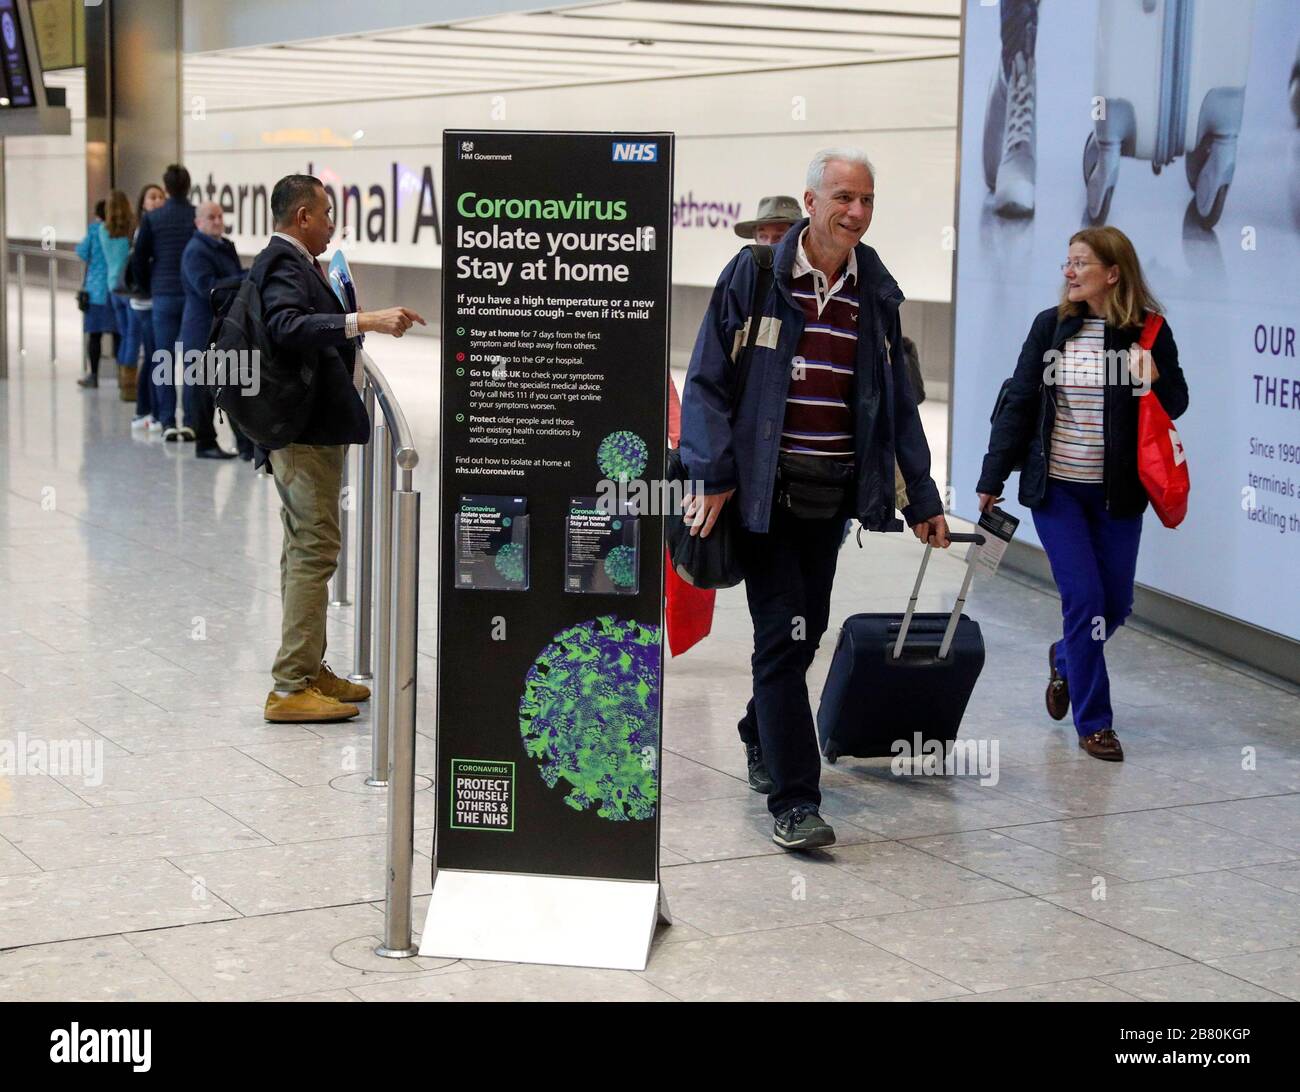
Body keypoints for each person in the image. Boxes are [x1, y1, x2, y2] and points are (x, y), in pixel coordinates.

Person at [680, 148, 950, 851]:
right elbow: (708, 380)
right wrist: (711, 472)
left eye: (866, 199)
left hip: (832, 499)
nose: (855, 212)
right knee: (780, 640)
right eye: (843, 198)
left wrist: (920, 495)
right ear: (810, 201)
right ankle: (795, 801)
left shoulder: (876, 290)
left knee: (808, 632)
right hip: (764, 497)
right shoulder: (757, 275)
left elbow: (894, 403)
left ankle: (756, 727)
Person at [976, 226, 1188, 761]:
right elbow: (1020, 401)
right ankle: (1095, 722)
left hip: (1118, 494)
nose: (1068, 272)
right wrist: (991, 477)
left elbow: (1177, 402)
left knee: (1116, 603)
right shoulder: (1051, 328)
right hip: (1058, 492)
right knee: (1086, 599)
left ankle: (1065, 659)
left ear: (1112, 273)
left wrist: (1153, 379)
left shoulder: (1148, 332)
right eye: (1066, 263)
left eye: (1080, 263)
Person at [257, 174, 426, 723]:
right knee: (316, 547)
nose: (332, 224)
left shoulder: (294, 263)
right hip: (302, 433)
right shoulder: (284, 263)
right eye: (327, 213)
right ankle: (289, 686)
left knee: (302, 545)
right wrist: (365, 320)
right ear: (303, 216)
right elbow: (286, 326)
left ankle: (307, 667)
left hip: (306, 430)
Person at [133, 164, 197, 441]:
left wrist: (147, 285)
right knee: (194, 361)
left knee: (164, 360)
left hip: (163, 295)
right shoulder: (197, 217)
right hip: (192, 296)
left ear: (167, 188)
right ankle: (193, 421)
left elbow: (139, 257)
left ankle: (168, 420)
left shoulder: (154, 218)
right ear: (188, 186)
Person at [181, 201, 249, 460]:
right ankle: (206, 443)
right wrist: (242, 279)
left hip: (225, 327)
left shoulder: (225, 245)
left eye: (220, 216)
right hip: (201, 328)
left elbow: (232, 277)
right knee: (203, 389)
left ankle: (245, 446)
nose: (218, 221)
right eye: (211, 217)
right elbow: (207, 288)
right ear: (199, 222)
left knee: (232, 385)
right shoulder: (196, 251)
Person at [75, 196, 129, 389]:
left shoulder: (95, 230)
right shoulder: (122, 230)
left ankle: (94, 375)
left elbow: (81, 252)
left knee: (95, 335)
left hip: (96, 289)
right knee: (118, 335)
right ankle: (122, 376)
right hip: (117, 288)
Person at [128, 183, 167, 431]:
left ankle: (144, 409)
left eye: (161, 197)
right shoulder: (144, 229)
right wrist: (148, 287)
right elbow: (140, 264)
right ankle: (150, 410)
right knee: (154, 356)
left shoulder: (157, 226)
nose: (157, 201)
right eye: (152, 197)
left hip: (153, 300)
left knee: (152, 356)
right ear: (143, 202)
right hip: (146, 302)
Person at [733, 194, 801, 246]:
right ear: (756, 238)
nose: (769, 244)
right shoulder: (746, 263)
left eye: (779, 237)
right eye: (763, 237)